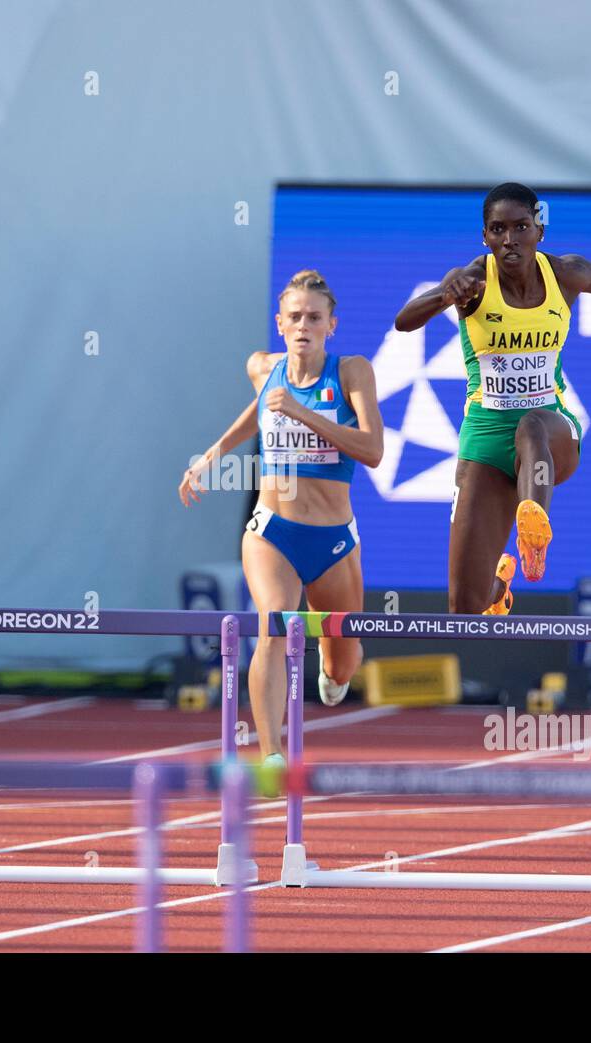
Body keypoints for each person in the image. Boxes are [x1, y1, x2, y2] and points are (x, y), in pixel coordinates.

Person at [395, 183, 591, 616]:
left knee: (531, 424)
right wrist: (445, 295)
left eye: (521, 226)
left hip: (551, 432)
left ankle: (533, 534)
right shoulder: (470, 279)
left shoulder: (565, 274)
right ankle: (496, 591)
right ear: (484, 237)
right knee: (462, 612)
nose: (510, 239)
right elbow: (403, 322)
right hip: (485, 437)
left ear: (539, 230)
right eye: (497, 229)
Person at [180, 270, 384, 791]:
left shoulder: (352, 372)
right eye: (294, 317)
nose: (303, 326)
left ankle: (331, 673)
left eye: (314, 318)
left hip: (334, 540)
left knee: (343, 661)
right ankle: (271, 756)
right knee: (273, 624)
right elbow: (258, 412)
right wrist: (211, 455)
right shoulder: (263, 368)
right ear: (280, 323)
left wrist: (302, 413)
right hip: (273, 531)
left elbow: (373, 450)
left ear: (331, 325)